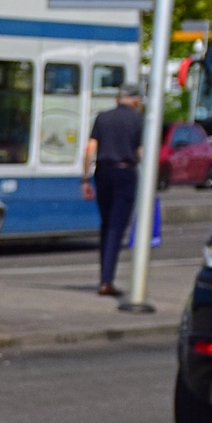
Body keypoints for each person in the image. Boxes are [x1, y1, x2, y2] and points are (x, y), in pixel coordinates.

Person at [80, 82, 147, 297]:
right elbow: (142, 151)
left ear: (118, 98)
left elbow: (90, 149)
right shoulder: (138, 120)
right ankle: (106, 281)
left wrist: (85, 180)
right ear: (135, 100)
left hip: (103, 173)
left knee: (107, 224)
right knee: (116, 227)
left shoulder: (102, 117)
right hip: (125, 173)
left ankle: (104, 277)